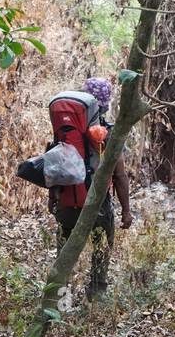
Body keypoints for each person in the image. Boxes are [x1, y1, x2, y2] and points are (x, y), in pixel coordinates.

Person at [51, 76, 133, 298]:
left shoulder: (65, 132)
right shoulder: (109, 134)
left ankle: (58, 298)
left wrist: (54, 200)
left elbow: (53, 165)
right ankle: (96, 293)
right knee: (101, 248)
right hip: (97, 205)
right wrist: (126, 210)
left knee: (64, 255)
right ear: (104, 105)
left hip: (66, 203)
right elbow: (120, 175)